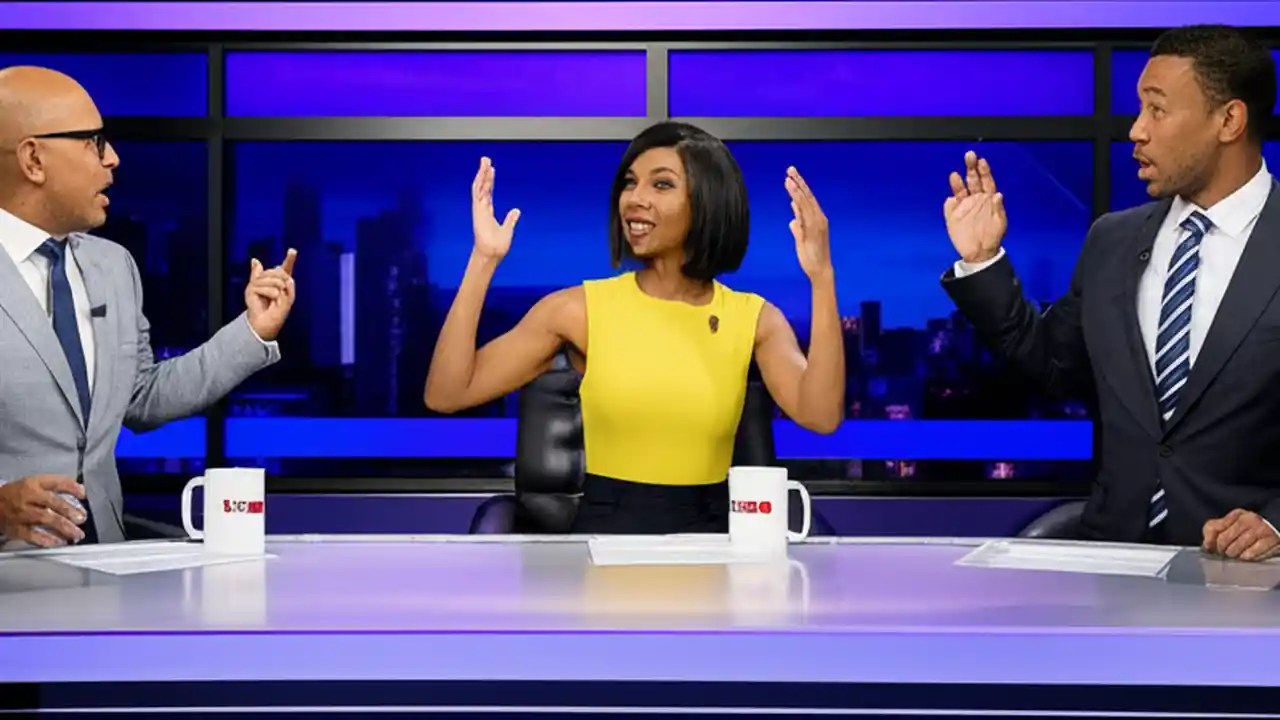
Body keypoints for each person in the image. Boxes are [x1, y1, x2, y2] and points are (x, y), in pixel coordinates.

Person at [939, 25, 1280, 560]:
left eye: (1157, 110)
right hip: (1116, 566)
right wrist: (982, 261)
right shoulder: (1113, 241)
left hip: (1251, 584)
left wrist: (1275, 525)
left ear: (1229, 120)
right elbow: (1052, 366)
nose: (1136, 131)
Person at [425, 121, 844, 534]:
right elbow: (447, 393)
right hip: (607, 545)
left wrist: (821, 276)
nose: (634, 199)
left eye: (661, 185)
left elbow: (821, 416)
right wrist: (484, 259)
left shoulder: (755, 319)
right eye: (630, 183)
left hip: (713, 549)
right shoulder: (577, 310)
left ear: (707, 201)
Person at [0, 66, 298, 548]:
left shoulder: (112, 266)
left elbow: (140, 397)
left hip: (106, 566)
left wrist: (252, 331)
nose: (113, 159)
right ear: (34, 159)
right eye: (93, 142)